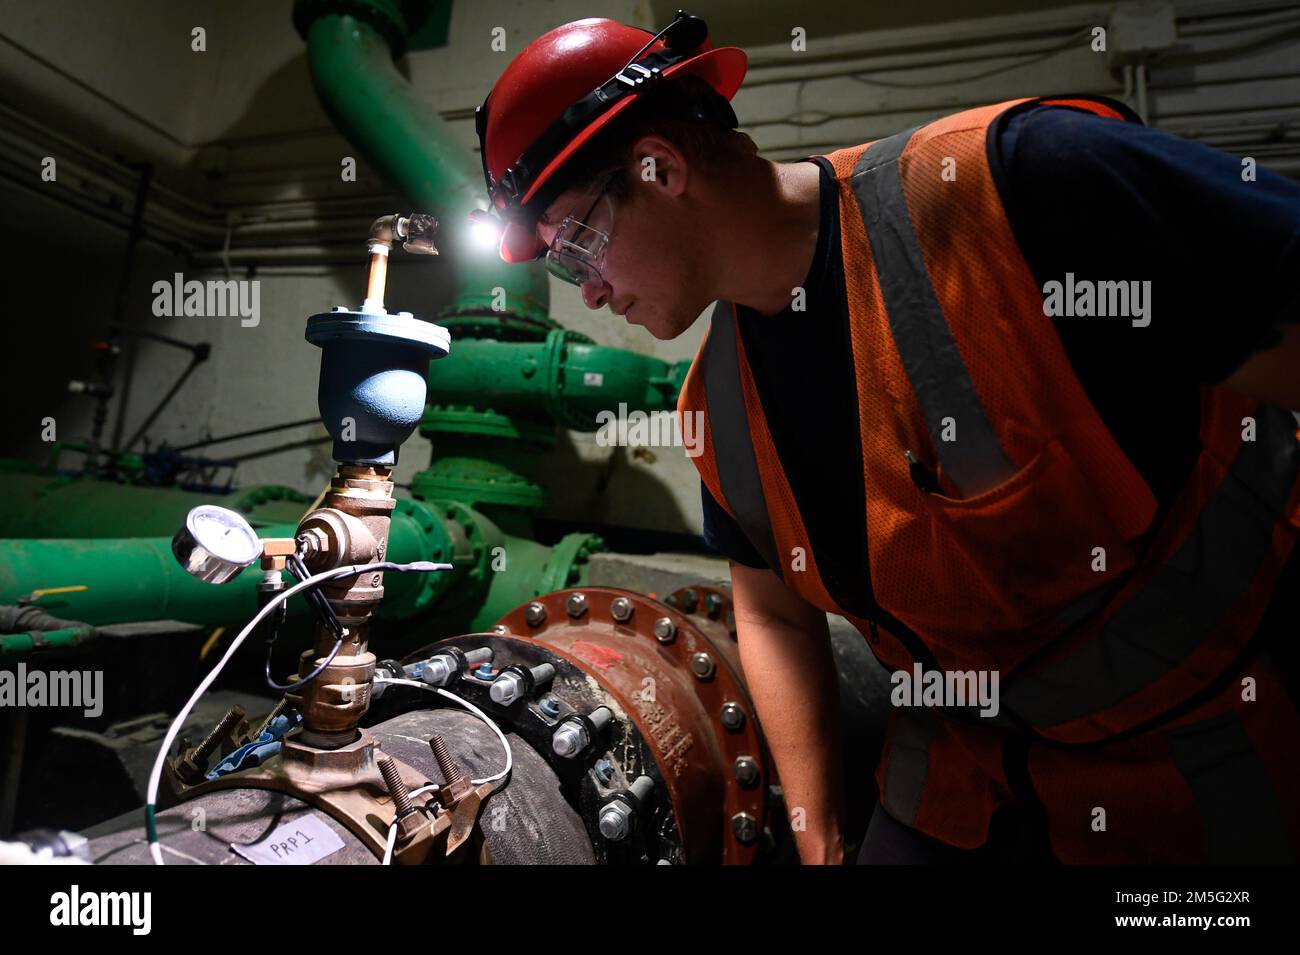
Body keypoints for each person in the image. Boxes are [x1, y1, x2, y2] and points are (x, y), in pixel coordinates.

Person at [472, 12, 1300, 864]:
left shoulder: (1016, 189)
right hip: (966, 777)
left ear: (663, 167)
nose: (591, 294)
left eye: (577, 244)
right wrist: (820, 838)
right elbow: (771, 611)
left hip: (1213, 739)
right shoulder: (716, 407)